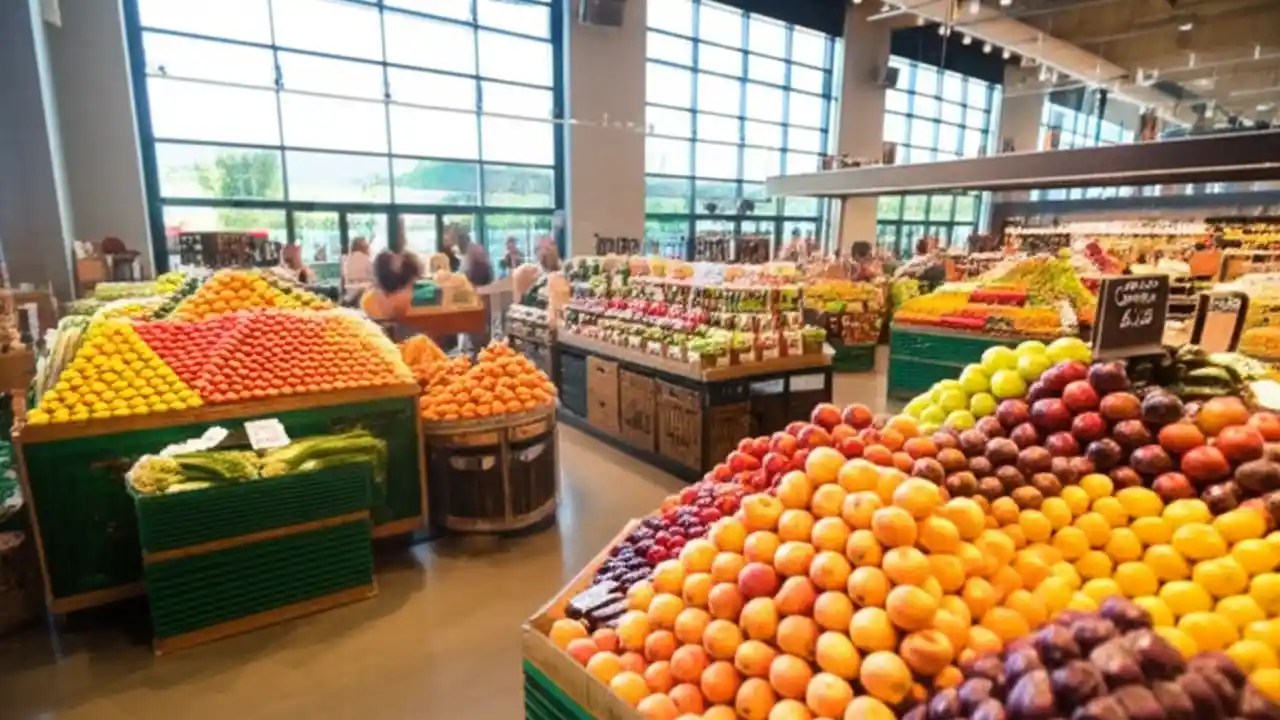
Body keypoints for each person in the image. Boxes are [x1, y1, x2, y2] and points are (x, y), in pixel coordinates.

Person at [342, 237, 374, 304]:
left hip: (349, 291)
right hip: (364, 292)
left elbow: (345, 276)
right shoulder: (366, 259)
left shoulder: (347, 259)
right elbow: (373, 276)